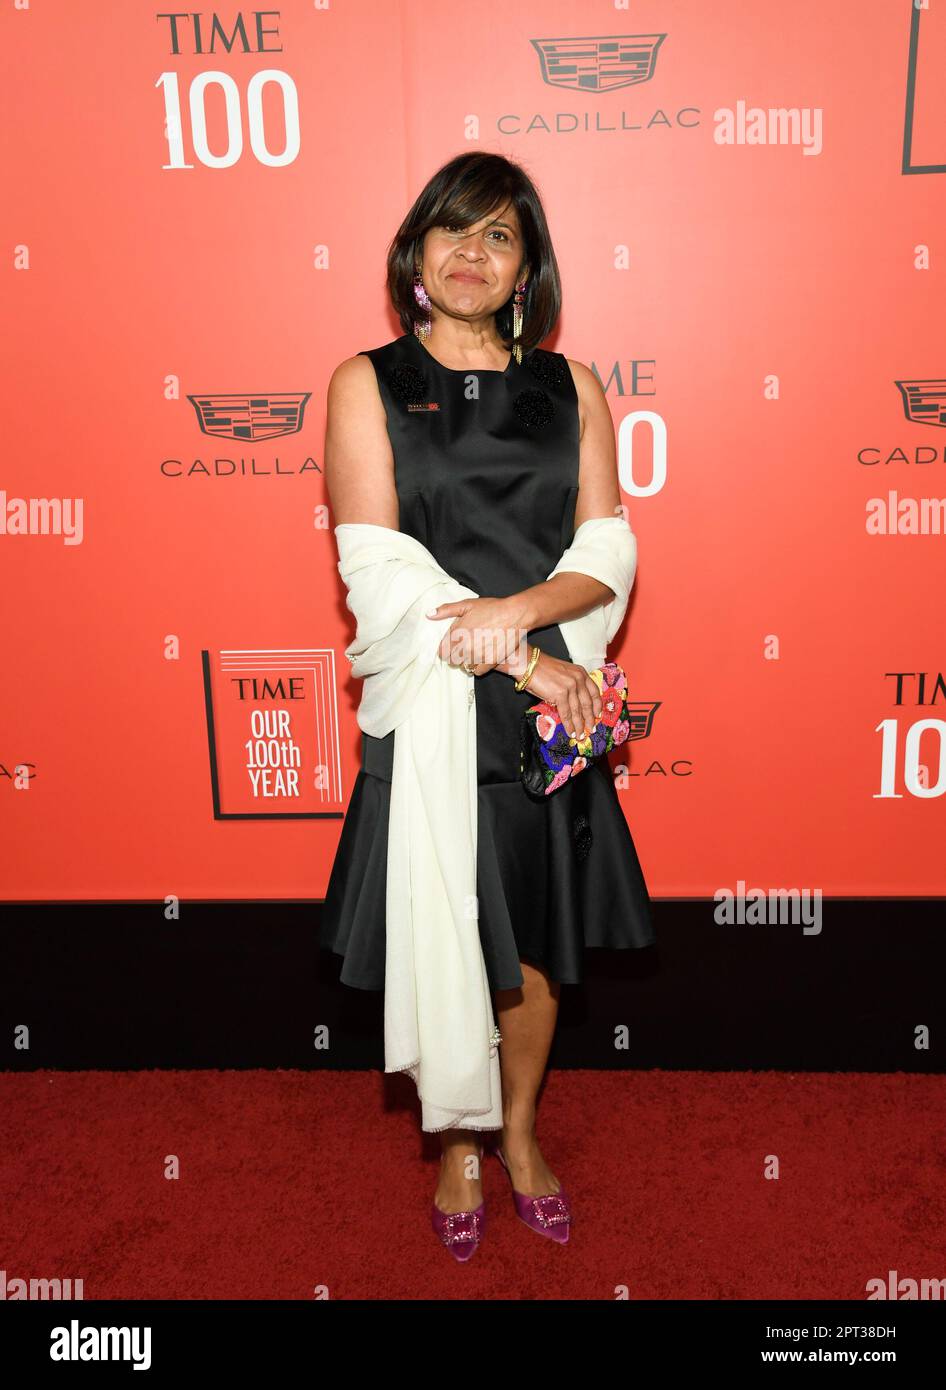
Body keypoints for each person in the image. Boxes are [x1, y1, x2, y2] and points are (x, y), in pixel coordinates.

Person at [321, 150, 655, 1259]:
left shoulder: (573, 387)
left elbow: (605, 547)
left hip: (546, 712)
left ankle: (513, 1133)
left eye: (498, 236)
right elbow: (382, 574)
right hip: (443, 710)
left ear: (527, 268)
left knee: (531, 952)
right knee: (448, 937)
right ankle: (456, 1146)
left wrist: (523, 619)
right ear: (416, 252)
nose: (472, 253)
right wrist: (525, 655)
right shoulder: (367, 383)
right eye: (453, 231)